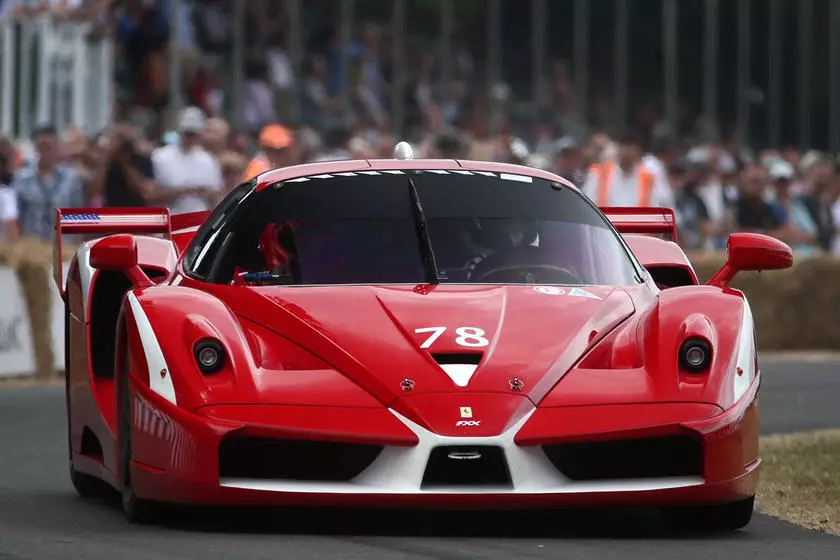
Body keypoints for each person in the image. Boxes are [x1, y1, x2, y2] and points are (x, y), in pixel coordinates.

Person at [11, 124, 85, 242]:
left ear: (57, 148)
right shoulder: (22, 179)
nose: (45, 152)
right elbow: (15, 218)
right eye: (41, 147)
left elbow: (79, 217)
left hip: (63, 247)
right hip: (32, 247)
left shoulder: (70, 179)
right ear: (36, 148)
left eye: (49, 147)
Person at [151, 107, 223, 215]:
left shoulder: (208, 160)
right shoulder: (160, 157)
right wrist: (181, 191)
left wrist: (205, 192)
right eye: (187, 133)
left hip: (199, 218)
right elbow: (152, 194)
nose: (190, 137)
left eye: (193, 134)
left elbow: (215, 196)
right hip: (171, 218)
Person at [582, 133, 674, 208]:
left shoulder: (648, 177)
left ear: (638, 150)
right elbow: (587, 205)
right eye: (624, 145)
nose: (627, 150)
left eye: (631, 146)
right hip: (606, 229)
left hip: (638, 229)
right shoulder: (599, 174)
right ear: (618, 148)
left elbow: (658, 206)